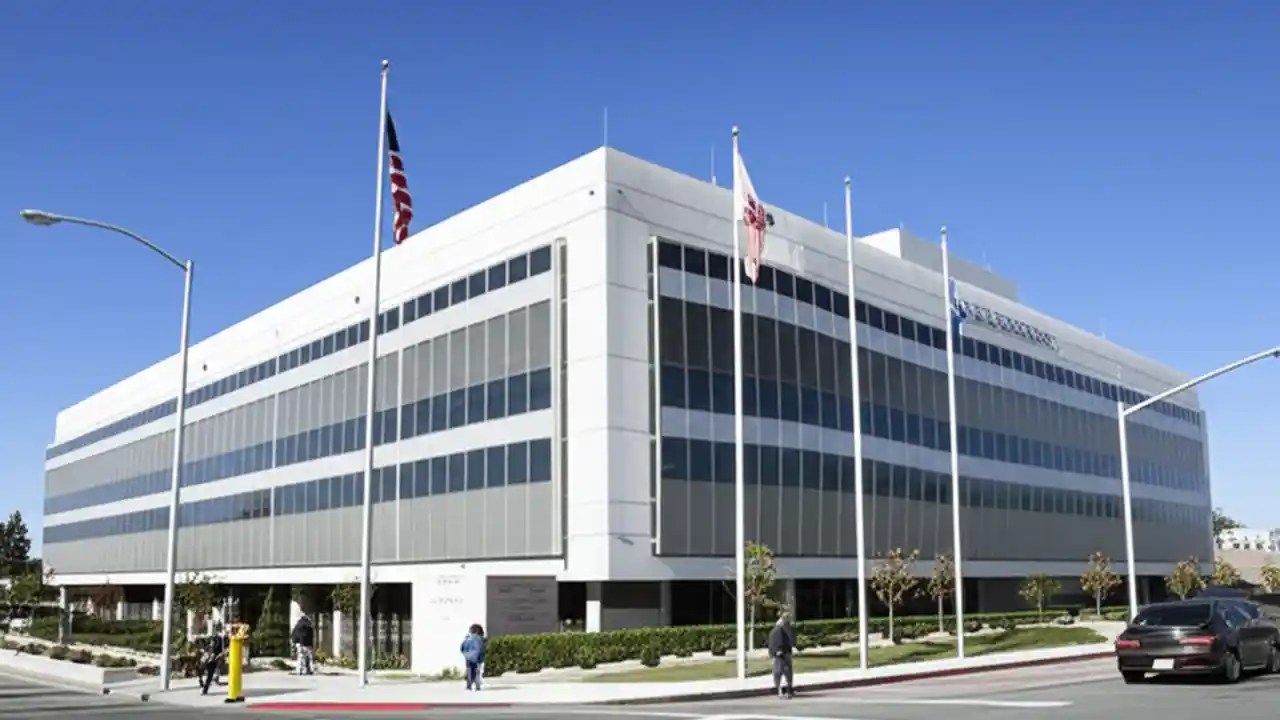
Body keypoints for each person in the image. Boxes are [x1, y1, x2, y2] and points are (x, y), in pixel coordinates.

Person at [768, 613, 795, 699]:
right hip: (781, 655)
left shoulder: (780, 630)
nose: (789, 622)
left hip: (781, 655)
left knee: (781, 673)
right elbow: (777, 643)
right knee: (783, 673)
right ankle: (784, 691)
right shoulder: (779, 630)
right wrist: (779, 652)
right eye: (788, 620)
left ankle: (785, 691)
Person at [199, 624, 226, 696]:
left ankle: (205, 690)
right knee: (202, 669)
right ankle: (202, 681)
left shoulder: (220, 639)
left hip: (213, 660)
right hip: (207, 658)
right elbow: (204, 646)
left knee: (209, 675)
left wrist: (218, 655)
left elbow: (221, 650)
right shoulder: (210, 638)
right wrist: (204, 651)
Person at [459, 624, 486, 691]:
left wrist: (466, 654)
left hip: (468, 658)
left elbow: (462, 648)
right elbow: (481, 649)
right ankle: (477, 686)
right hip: (477, 659)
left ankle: (469, 685)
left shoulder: (467, 638)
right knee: (477, 672)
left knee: (469, 671)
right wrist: (481, 658)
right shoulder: (479, 639)